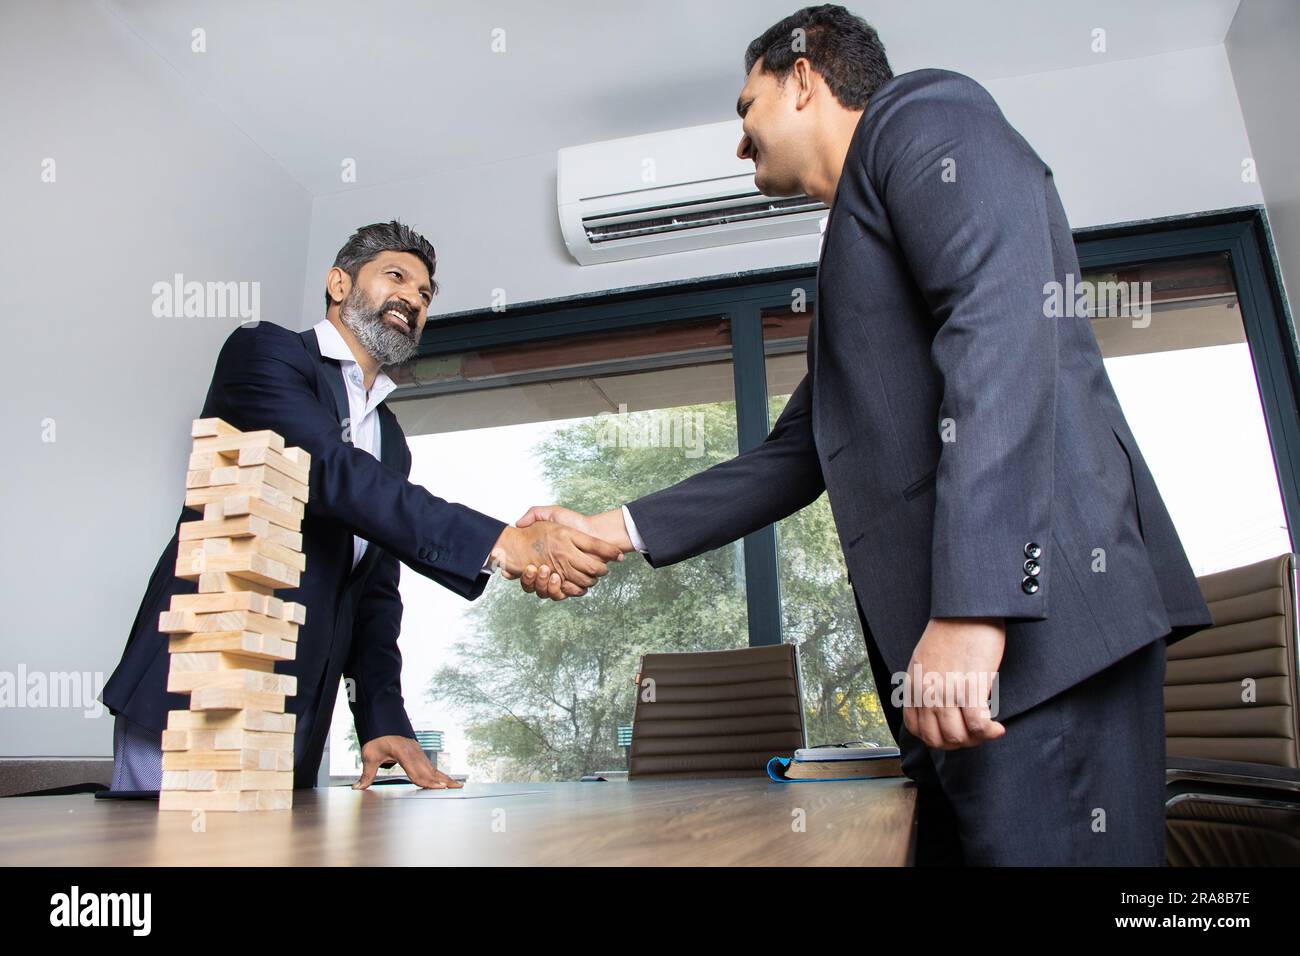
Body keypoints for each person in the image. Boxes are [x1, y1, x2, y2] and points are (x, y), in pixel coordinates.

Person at [514, 6, 1212, 865]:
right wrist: (606, 530)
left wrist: (972, 605)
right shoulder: (858, 244)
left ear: (803, 75)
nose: (740, 143)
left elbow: (1004, 325)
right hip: (966, 685)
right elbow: (795, 454)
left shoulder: (924, 116)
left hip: (1037, 649)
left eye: (746, 106)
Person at [101, 220, 623, 792]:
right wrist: (503, 543)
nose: (413, 299)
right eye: (395, 276)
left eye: (425, 294)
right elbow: (330, 472)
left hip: (291, 725)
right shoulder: (266, 352)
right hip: (195, 693)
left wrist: (381, 720)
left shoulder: (390, 438)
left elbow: (373, 594)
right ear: (338, 284)